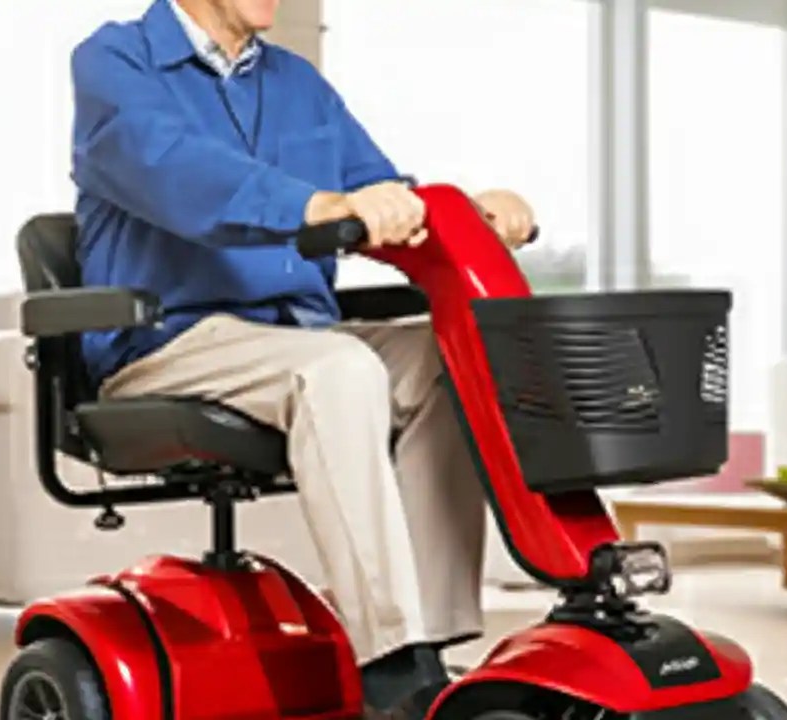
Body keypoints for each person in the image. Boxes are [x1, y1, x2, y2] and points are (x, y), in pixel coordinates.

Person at [69, 0, 537, 717]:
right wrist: (315, 205)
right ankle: (394, 670)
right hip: (170, 341)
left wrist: (469, 210)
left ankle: (433, 644)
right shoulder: (117, 60)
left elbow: (384, 201)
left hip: (296, 334)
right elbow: (172, 170)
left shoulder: (297, 84)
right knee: (339, 370)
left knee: (452, 355)